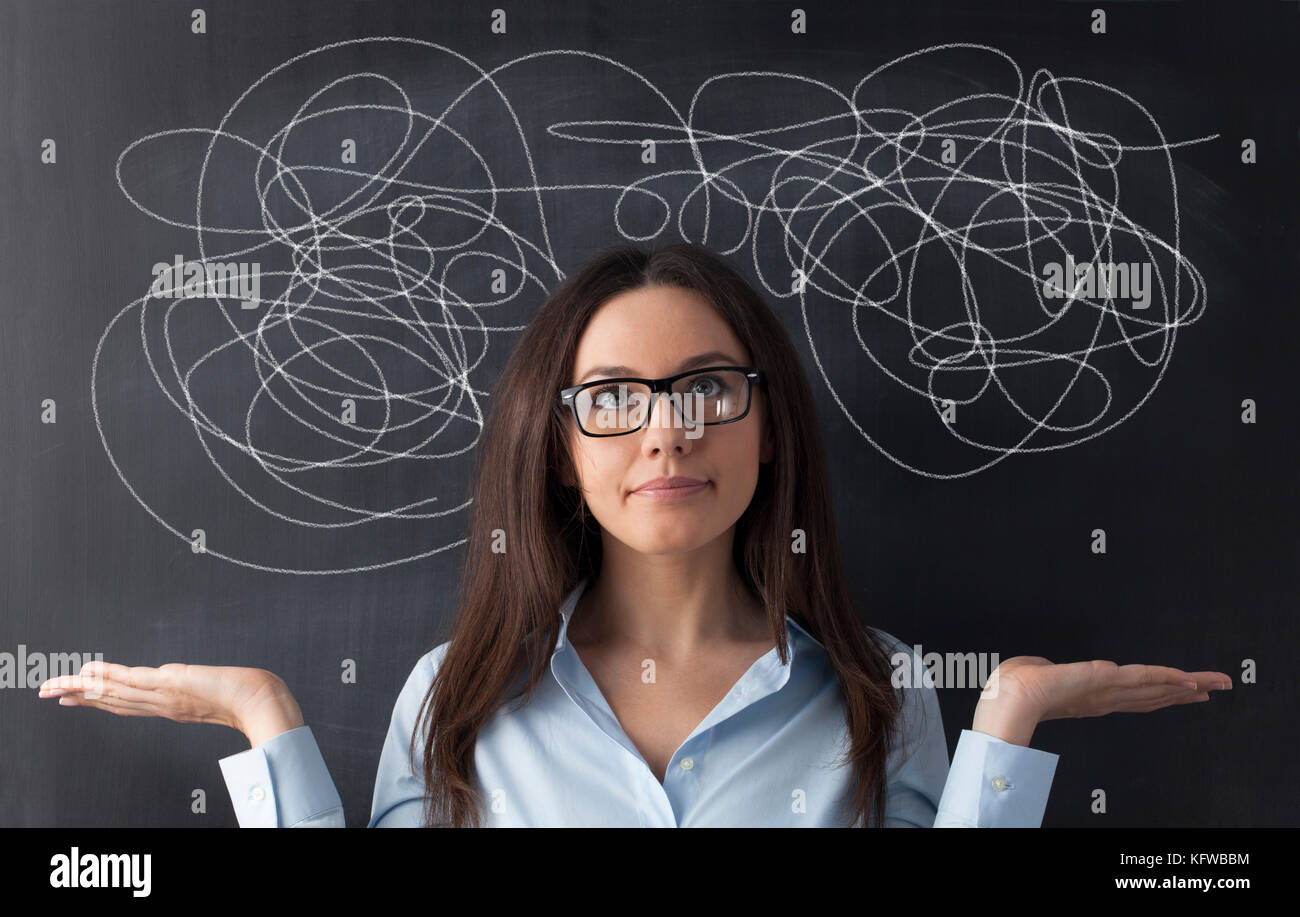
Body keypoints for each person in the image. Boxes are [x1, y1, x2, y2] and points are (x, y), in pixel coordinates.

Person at [37, 243, 1231, 827]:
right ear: (561, 446)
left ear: (769, 430)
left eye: (708, 386)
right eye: (611, 397)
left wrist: (1007, 724)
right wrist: (267, 721)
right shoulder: (450, 699)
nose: (665, 435)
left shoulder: (886, 690)